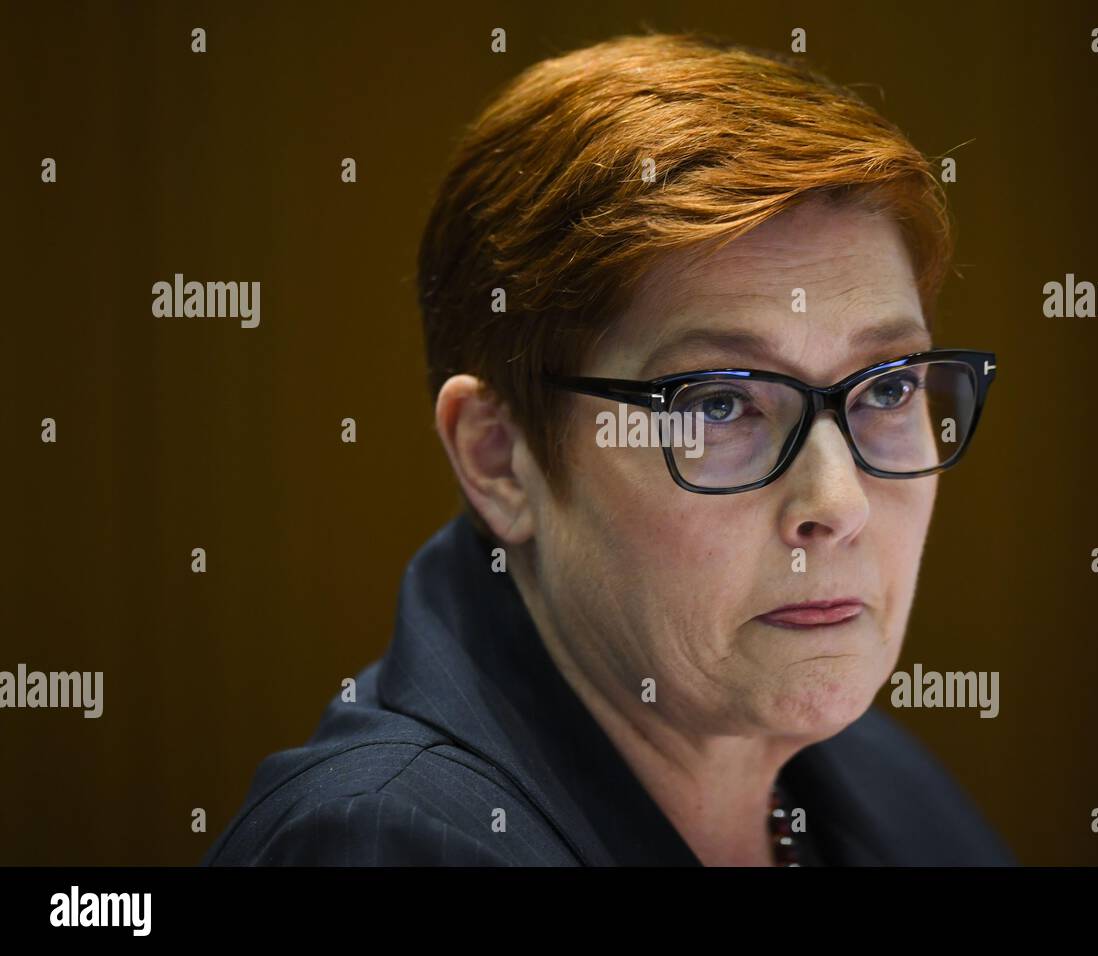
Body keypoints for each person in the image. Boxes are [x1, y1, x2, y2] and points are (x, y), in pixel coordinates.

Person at [202, 30, 1012, 867]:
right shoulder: (383, 844)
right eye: (720, 404)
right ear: (498, 457)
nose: (836, 505)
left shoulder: (890, 786)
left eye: (885, 388)